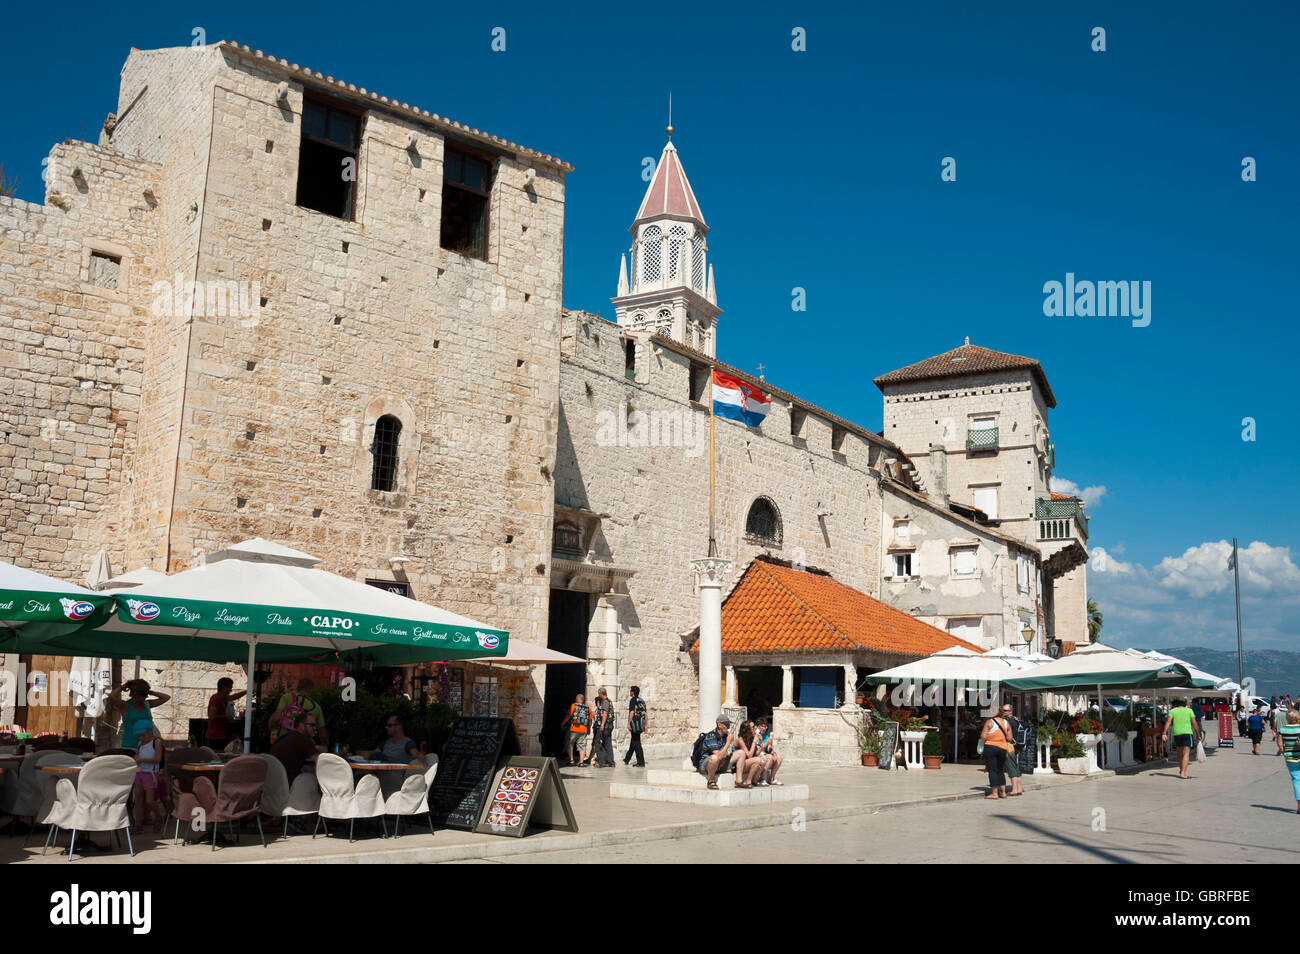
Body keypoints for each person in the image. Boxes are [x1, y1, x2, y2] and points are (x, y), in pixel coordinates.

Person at [107, 679, 171, 750]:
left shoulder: (147, 704)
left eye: (146, 695)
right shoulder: (125, 705)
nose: (146, 697)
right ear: (135, 695)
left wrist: (150, 692)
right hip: (130, 744)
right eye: (143, 695)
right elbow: (112, 696)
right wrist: (124, 686)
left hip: (147, 745)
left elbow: (166, 697)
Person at [131, 722, 167, 833]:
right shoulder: (140, 743)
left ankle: (158, 817)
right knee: (138, 799)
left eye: (143, 735)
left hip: (150, 774)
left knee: (149, 800)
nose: (141, 738)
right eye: (139, 736)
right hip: (140, 773)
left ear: (150, 732)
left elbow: (157, 759)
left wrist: (142, 760)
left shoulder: (156, 742)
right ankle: (138, 824)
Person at [270, 711, 322, 782]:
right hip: (287, 782)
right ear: (301, 725)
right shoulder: (302, 739)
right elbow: (320, 762)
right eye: (312, 725)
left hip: (272, 782)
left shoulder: (287, 737)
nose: (315, 728)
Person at [268, 678, 323, 743]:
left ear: (298, 687)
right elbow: (322, 733)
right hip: (306, 744)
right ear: (311, 689)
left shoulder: (287, 697)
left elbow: (276, 718)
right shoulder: (316, 707)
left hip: (286, 741)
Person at [1161, 698, 1203, 778]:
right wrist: (1198, 734)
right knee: (1186, 753)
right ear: (1184, 705)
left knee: (1179, 753)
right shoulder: (1189, 710)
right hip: (1187, 733)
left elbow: (1168, 722)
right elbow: (1194, 723)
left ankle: (1181, 770)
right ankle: (1183, 772)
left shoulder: (1173, 711)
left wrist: (1164, 732)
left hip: (1177, 734)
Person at [204, 677, 246, 753]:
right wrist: (226, 717)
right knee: (218, 757)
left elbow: (233, 697)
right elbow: (211, 716)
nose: (231, 690)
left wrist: (246, 692)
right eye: (230, 687)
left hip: (219, 734)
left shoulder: (221, 698)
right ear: (224, 687)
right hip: (215, 735)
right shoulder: (216, 699)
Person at [980, 707, 1014, 799]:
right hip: (1003, 748)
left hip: (990, 747)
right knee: (1000, 770)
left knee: (992, 770)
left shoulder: (989, 722)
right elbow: (1010, 738)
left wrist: (991, 736)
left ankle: (994, 793)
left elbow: (983, 736)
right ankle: (1003, 792)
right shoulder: (1006, 723)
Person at [1004, 704, 1034, 796]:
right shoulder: (1016, 720)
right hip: (1017, 746)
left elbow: (1007, 735)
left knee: (1011, 767)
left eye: (1005, 710)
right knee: (1016, 767)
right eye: (1003, 710)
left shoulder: (1008, 722)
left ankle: (1014, 790)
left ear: (1010, 711)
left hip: (1010, 746)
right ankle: (1019, 789)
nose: (1003, 712)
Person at [697, 714, 733, 790]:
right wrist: (728, 743)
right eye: (726, 724)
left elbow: (725, 754)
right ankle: (711, 781)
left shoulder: (725, 737)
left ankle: (740, 780)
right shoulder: (711, 736)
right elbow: (719, 756)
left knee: (740, 753)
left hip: (720, 764)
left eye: (729, 724)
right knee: (714, 758)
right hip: (705, 765)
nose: (728, 727)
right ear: (719, 725)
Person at [1276, 709, 1300, 816]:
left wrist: (1285, 751)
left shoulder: (1283, 729)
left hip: (1290, 758)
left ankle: (1299, 806)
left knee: (1296, 780)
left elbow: (1280, 746)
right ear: (1297, 718)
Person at [584, 687, 615, 767]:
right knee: (608, 744)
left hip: (604, 726)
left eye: (599, 694)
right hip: (609, 725)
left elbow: (605, 713)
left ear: (601, 694)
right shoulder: (609, 701)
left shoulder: (605, 702)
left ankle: (601, 762)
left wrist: (602, 724)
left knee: (597, 743)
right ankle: (610, 762)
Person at [561, 693, 592, 766]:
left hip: (574, 728)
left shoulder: (573, 706)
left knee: (570, 743)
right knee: (582, 745)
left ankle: (571, 761)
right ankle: (581, 762)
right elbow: (590, 720)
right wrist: (589, 728)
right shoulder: (588, 708)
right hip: (584, 729)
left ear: (577, 699)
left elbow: (568, 715)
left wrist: (562, 723)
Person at [752, 716, 784, 786]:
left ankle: (771, 779)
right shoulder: (755, 735)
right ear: (757, 727)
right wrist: (766, 744)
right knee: (769, 757)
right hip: (757, 755)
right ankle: (762, 778)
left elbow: (768, 749)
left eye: (765, 726)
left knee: (779, 758)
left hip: (764, 754)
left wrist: (772, 751)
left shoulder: (765, 736)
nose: (764, 728)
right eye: (762, 726)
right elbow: (757, 750)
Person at [624, 685, 647, 767]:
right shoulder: (642, 701)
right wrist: (646, 725)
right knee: (634, 741)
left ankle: (641, 762)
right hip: (640, 723)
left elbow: (632, 712)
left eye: (630, 691)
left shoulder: (633, 700)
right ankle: (627, 758)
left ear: (633, 692)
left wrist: (629, 723)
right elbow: (645, 714)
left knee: (637, 742)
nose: (630, 692)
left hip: (634, 723)